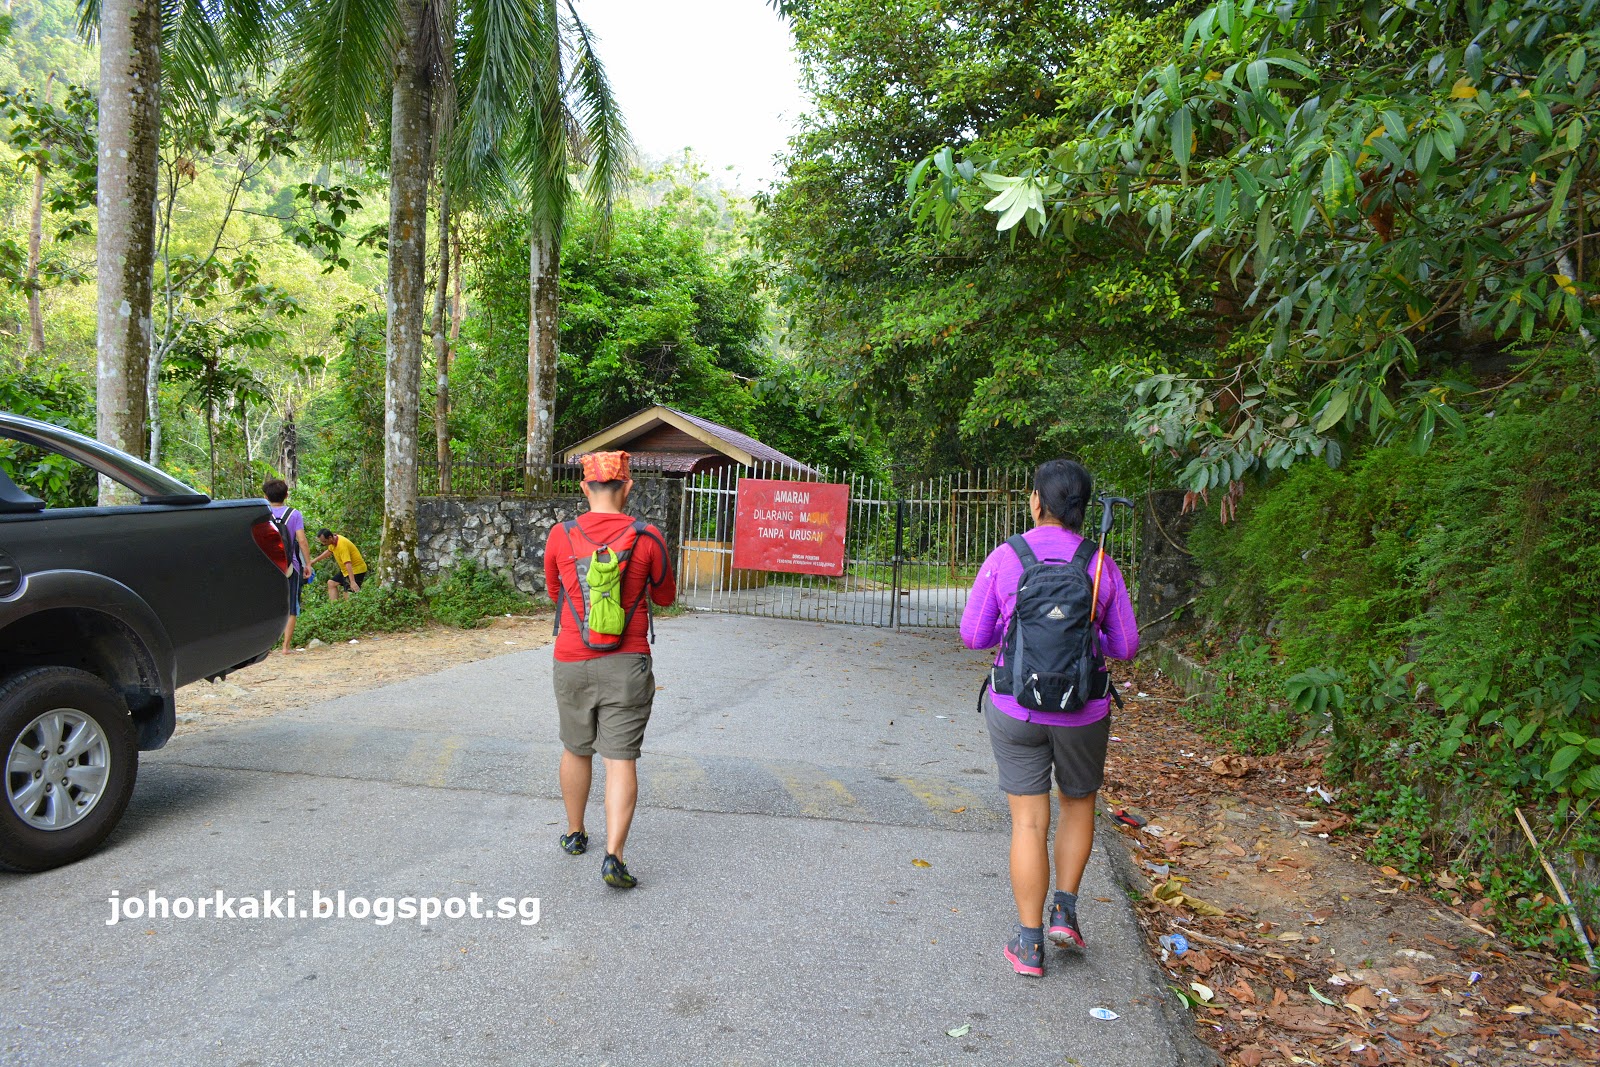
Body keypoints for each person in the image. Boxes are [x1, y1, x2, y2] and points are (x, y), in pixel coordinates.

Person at [960, 459, 1138, 978]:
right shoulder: (1100, 563)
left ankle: (1030, 944)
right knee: (1078, 806)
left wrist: (1020, 633)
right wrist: (1084, 634)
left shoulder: (1005, 557)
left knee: (1028, 821)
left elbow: (974, 635)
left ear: (1036, 501)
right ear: (1083, 508)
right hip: (1084, 710)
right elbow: (1125, 645)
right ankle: (1065, 912)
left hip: (1016, 707)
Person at [543, 450, 676, 889]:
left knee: (575, 748)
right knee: (620, 760)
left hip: (572, 659)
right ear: (628, 486)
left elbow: (554, 593)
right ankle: (614, 857)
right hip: (628, 662)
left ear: (584, 486)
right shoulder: (648, 537)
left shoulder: (561, 535)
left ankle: (574, 833)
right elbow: (666, 597)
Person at [263, 479, 314, 654]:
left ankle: (266, 647)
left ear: (265, 496)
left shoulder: (262, 514)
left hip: (267, 566)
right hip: (291, 567)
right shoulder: (294, 514)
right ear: (286, 495)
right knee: (291, 606)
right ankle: (285, 647)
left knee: (268, 605)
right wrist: (308, 563)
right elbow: (302, 540)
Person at [309, 528, 367, 601]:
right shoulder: (333, 542)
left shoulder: (341, 545)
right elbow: (329, 551)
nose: (323, 544)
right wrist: (314, 560)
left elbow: (348, 563)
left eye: (324, 541)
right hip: (345, 571)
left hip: (356, 570)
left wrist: (352, 581)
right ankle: (334, 606)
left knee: (348, 596)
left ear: (330, 537)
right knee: (331, 583)